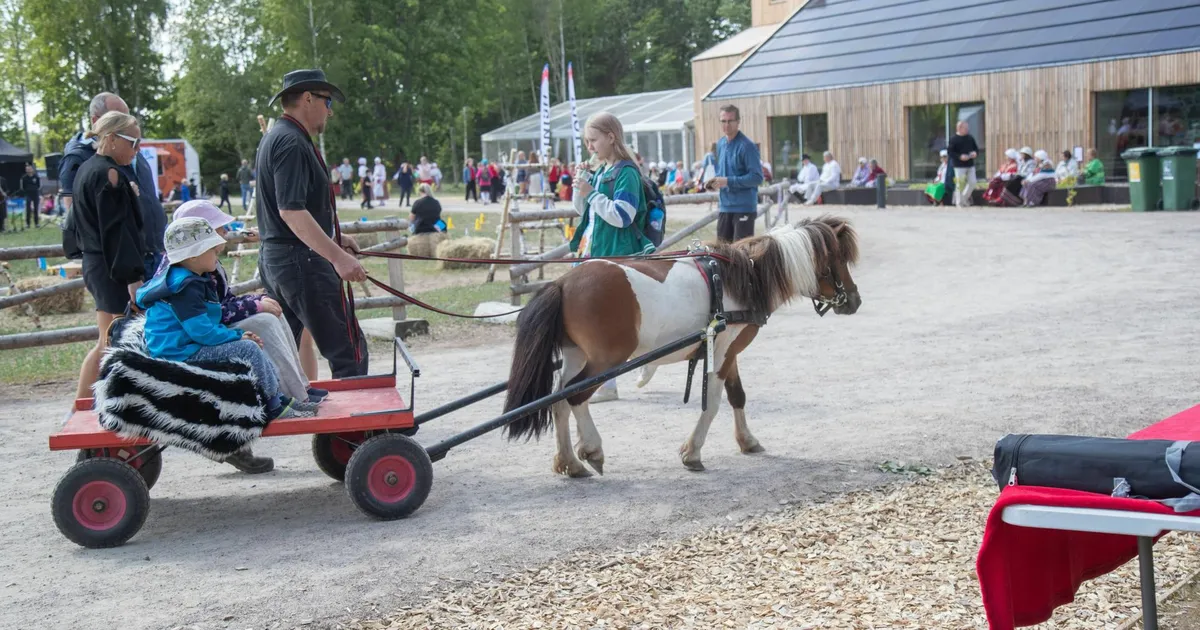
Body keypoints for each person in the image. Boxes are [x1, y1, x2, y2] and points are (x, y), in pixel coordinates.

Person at [137, 218, 317, 426]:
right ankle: (274, 406)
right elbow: (202, 332)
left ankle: (278, 398)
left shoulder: (191, 278)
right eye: (212, 249)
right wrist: (237, 335)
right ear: (194, 255)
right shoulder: (184, 288)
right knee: (248, 348)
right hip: (180, 353)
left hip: (185, 345)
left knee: (250, 347)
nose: (218, 253)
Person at [255, 68, 369, 378]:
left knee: (286, 352)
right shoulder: (290, 142)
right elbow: (291, 212)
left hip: (282, 258)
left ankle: (321, 421)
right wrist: (337, 257)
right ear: (308, 98)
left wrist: (332, 239)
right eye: (327, 102)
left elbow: (294, 210)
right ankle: (354, 426)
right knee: (349, 350)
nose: (330, 112)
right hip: (300, 261)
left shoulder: (279, 137)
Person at [170, 200, 327, 406]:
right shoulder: (189, 275)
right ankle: (292, 394)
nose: (225, 231)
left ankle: (300, 385)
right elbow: (216, 313)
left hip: (208, 327)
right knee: (265, 322)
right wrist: (256, 307)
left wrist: (258, 300)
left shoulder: (203, 263)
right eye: (219, 226)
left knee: (273, 313)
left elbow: (224, 301)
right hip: (199, 335)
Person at [570, 111, 655, 403]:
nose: (589, 147)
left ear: (610, 137)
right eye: (586, 142)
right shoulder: (603, 171)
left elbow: (623, 215)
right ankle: (614, 376)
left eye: (593, 140)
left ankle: (611, 381)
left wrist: (591, 192)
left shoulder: (627, 172)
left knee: (611, 321)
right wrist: (581, 186)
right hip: (597, 251)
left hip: (619, 253)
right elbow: (585, 213)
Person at [70, 111, 151, 401]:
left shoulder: (86, 169)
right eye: (133, 142)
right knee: (113, 341)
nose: (137, 149)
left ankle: (82, 406)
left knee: (106, 340)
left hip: (96, 263)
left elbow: (71, 224)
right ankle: (91, 407)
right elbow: (119, 232)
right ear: (113, 139)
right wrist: (133, 279)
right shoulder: (109, 173)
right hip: (111, 267)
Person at [59, 92, 168, 267]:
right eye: (117, 117)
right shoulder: (80, 159)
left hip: (153, 251)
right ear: (97, 121)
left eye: (127, 116)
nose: (126, 121)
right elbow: (78, 214)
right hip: (120, 260)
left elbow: (149, 199)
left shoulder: (133, 151)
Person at [709, 105, 763, 243]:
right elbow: (723, 173)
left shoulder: (747, 146)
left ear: (738, 121)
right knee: (721, 254)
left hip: (743, 207)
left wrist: (728, 181)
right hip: (724, 206)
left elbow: (757, 178)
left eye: (730, 121)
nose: (726, 125)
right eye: (723, 121)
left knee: (740, 257)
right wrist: (713, 182)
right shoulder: (720, 144)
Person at [948, 120, 979, 208]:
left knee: (973, 182)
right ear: (959, 128)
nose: (967, 129)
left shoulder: (970, 138)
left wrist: (975, 153)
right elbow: (950, 152)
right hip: (959, 165)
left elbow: (976, 149)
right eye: (965, 128)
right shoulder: (953, 139)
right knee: (960, 184)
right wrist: (959, 156)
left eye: (967, 127)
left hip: (970, 163)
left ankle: (964, 198)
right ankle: (959, 202)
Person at [20, 164, 40, 228]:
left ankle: (36, 223)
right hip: (28, 194)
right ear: (26, 170)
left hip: (35, 194)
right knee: (28, 209)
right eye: (27, 169)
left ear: (32, 169)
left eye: (29, 169)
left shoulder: (36, 177)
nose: (28, 170)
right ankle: (28, 224)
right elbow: (22, 187)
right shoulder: (24, 178)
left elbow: (39, 186)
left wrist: (35, 189)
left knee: (36, 209)